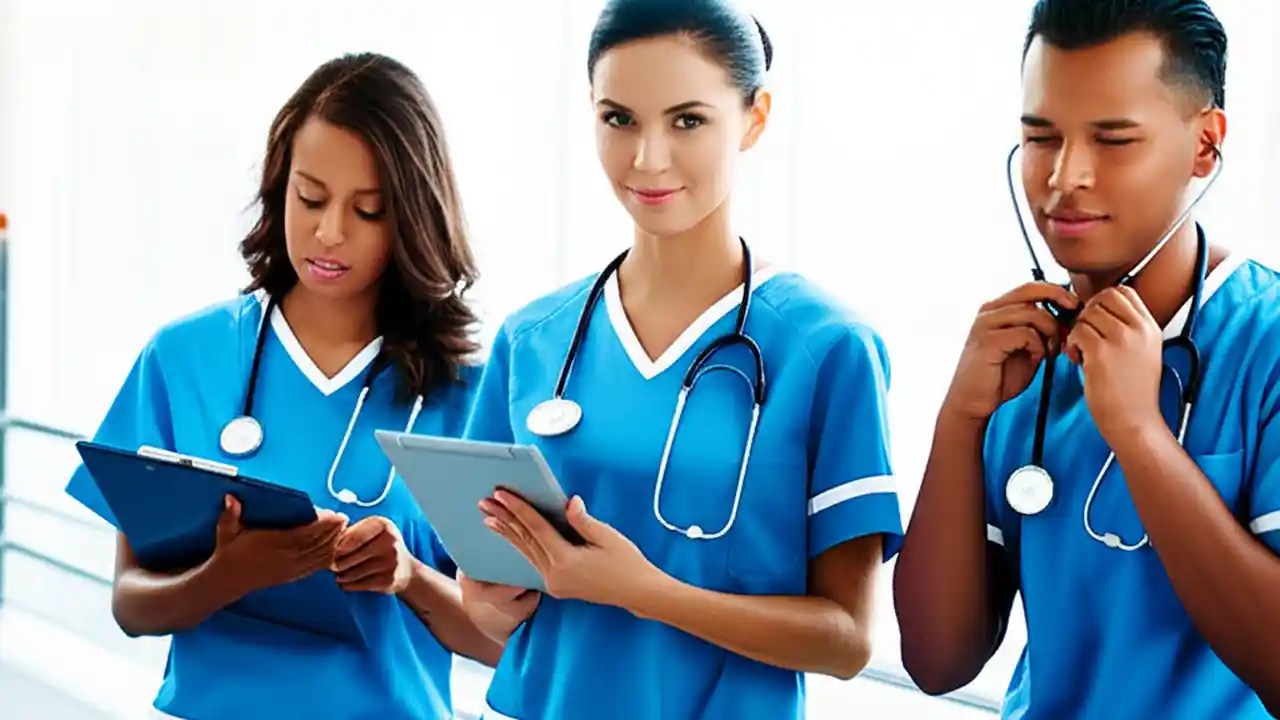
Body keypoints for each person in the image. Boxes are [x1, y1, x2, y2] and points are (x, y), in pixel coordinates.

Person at [457, 2, 903, 719]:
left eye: (688, 121)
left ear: (754, 118)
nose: (648, 158)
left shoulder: (825, 349)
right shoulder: (530, 339)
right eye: (619, 119)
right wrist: (489, 598)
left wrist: (641, 590)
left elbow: (846, 641)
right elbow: (486, 602)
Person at [64, 53, 501, 720]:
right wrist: (227, 576)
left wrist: (408, 578)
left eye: (369, 210)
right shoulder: (184, 360)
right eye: (311, 197)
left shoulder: (464, 395)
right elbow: (130, 603)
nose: (329, 232)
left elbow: (501, 641)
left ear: (412, 215)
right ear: (279, 186)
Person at [894, 2, 1280, 717]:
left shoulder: (1266, 343)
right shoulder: (1020, 354)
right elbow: (939, 660)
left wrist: (1139, 434)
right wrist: (961, 417)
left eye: (1114, 140)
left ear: (1205, 145)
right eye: (1041, 137)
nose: (1065, 177)